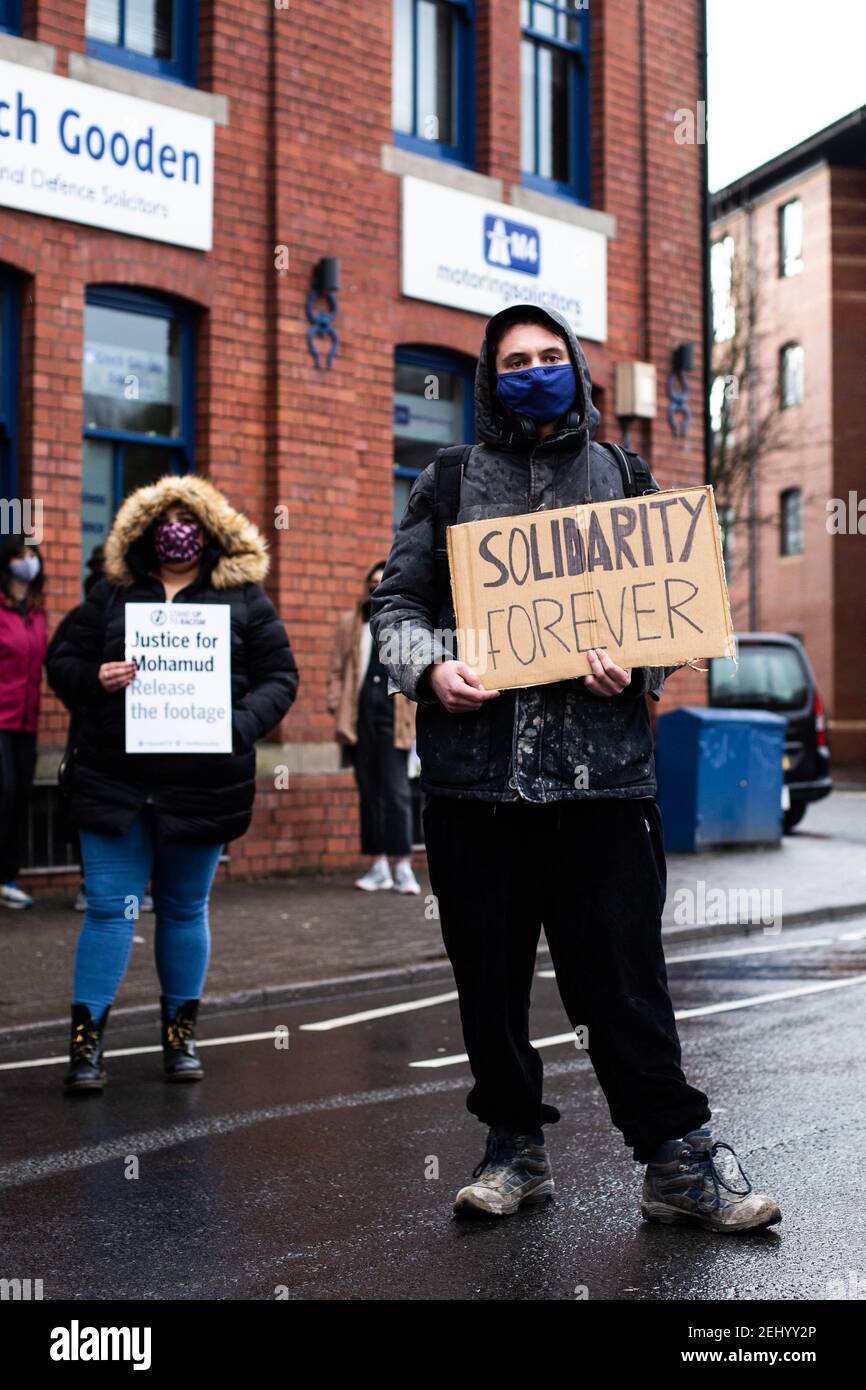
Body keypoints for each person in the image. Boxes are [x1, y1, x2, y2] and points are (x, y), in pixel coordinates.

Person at [370, 304, 781, 1233]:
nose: (534, 371)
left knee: (626, 985)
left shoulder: (626, 477)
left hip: (604, 786)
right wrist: (432, 667)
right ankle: (513, 1150)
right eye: (515, 360)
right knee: (488, 984)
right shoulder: (446, 481)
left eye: (551, 356)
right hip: (478, 788)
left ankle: (675, 1162)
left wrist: (632, 667)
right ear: (489, 374)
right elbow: (394, 606)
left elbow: (668, 622)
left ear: (578, 369)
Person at [46, 475, 299, 1093]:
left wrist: (235, 724)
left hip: (203, 783)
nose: (175, 531)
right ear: (142, 532)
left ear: (210, 531)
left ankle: (180, 1038)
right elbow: (62, 660)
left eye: (188, 520)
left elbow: (280, 677)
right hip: (115, 779)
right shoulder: (111, 592)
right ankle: (85, 1049)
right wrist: (94, 677)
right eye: (164, 521)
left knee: (185, 909)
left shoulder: (244, 598)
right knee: (109, 909)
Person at [328, 561, 420, 893]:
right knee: (369, 793)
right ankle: (378, 865)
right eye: (371, 583)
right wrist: (337, 705)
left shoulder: (406, 625)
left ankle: (403, 866)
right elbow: (337, 671)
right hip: (359, 718)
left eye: (382, 582)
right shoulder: (351, 623)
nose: (375, 588)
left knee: (396, 793)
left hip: (394, 718)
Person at [0, 536, 48, 910]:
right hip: (1, 717)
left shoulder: (36, 611)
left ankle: (7, 878)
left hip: (26, 721)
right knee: (3, 790)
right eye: (20, 556)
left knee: (19, 796)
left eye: (32, 555)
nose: (27, 562)